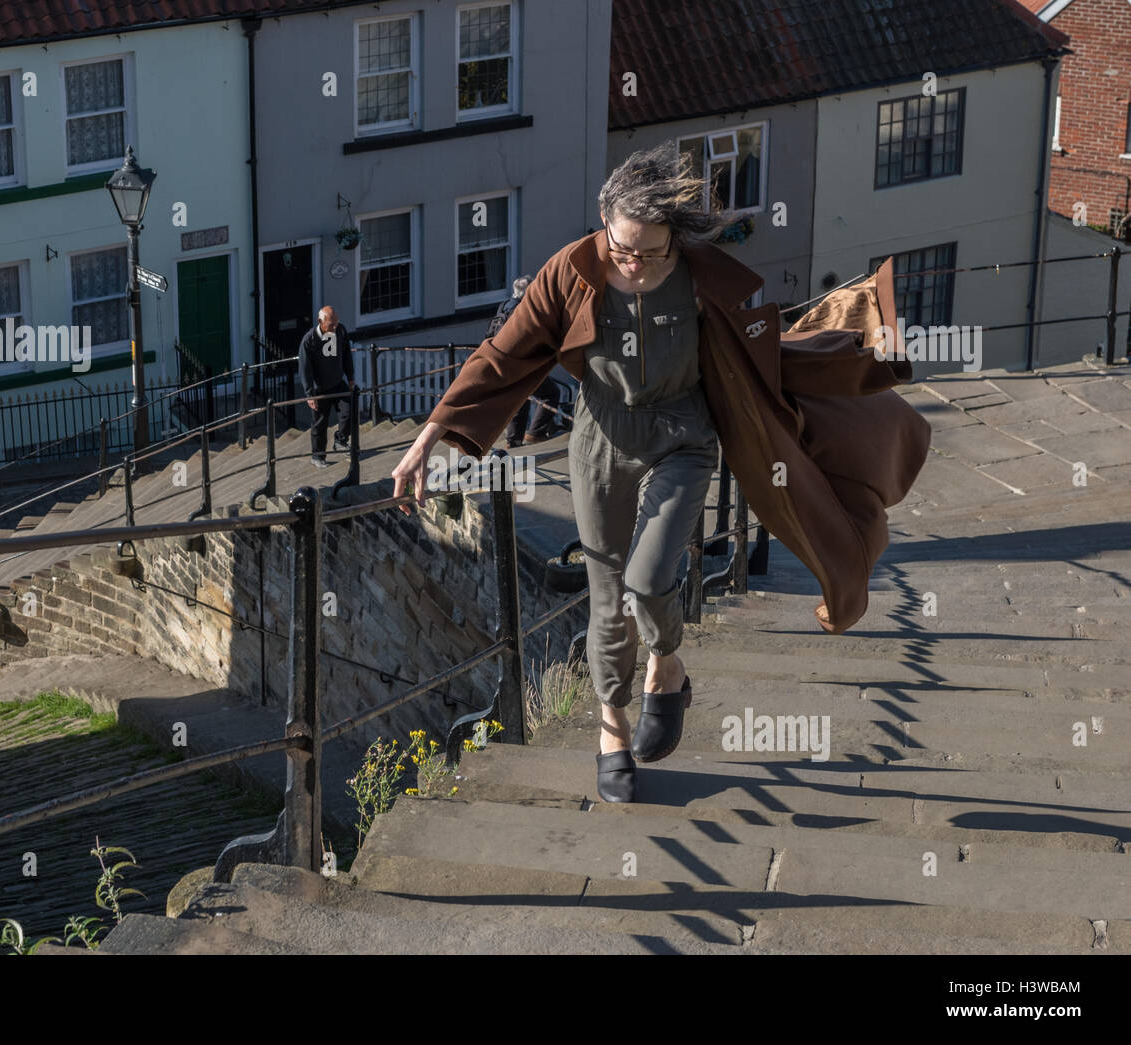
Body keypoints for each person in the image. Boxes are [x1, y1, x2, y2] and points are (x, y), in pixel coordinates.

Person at [390, 143, 929, 804]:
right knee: (609, 595)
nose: (634, 261)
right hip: (600, 439)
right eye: (623, 248)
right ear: (603, 221)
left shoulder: (704, 279)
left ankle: (666, 666)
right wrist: (428, 439)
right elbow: (500, 357)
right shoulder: (572, 272)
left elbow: (765, 354)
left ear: (674, 236)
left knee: (649, 577)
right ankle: (612, 730)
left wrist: (858, 348)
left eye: (649, 250)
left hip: (684, 436)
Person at [489, 275, 564, 447]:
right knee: (550, 393)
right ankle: (536, 433)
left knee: (520, 398)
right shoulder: (521, 311)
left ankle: (513, 441)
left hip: (503, 361)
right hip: (521, 363)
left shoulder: (505, 306)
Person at [298, 305, 355, 468]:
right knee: (320, 423)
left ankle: (341, 441)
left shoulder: (340, 331)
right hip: (319, 388)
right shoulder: (309, 340)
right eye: (331, 324)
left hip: (337, 382)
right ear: (320, 322)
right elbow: (305, 368)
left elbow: (346, 354)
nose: (334, 327)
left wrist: (350, 377)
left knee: (348, 410)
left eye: (336, 323)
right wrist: (309, 394)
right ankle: (317, 456)